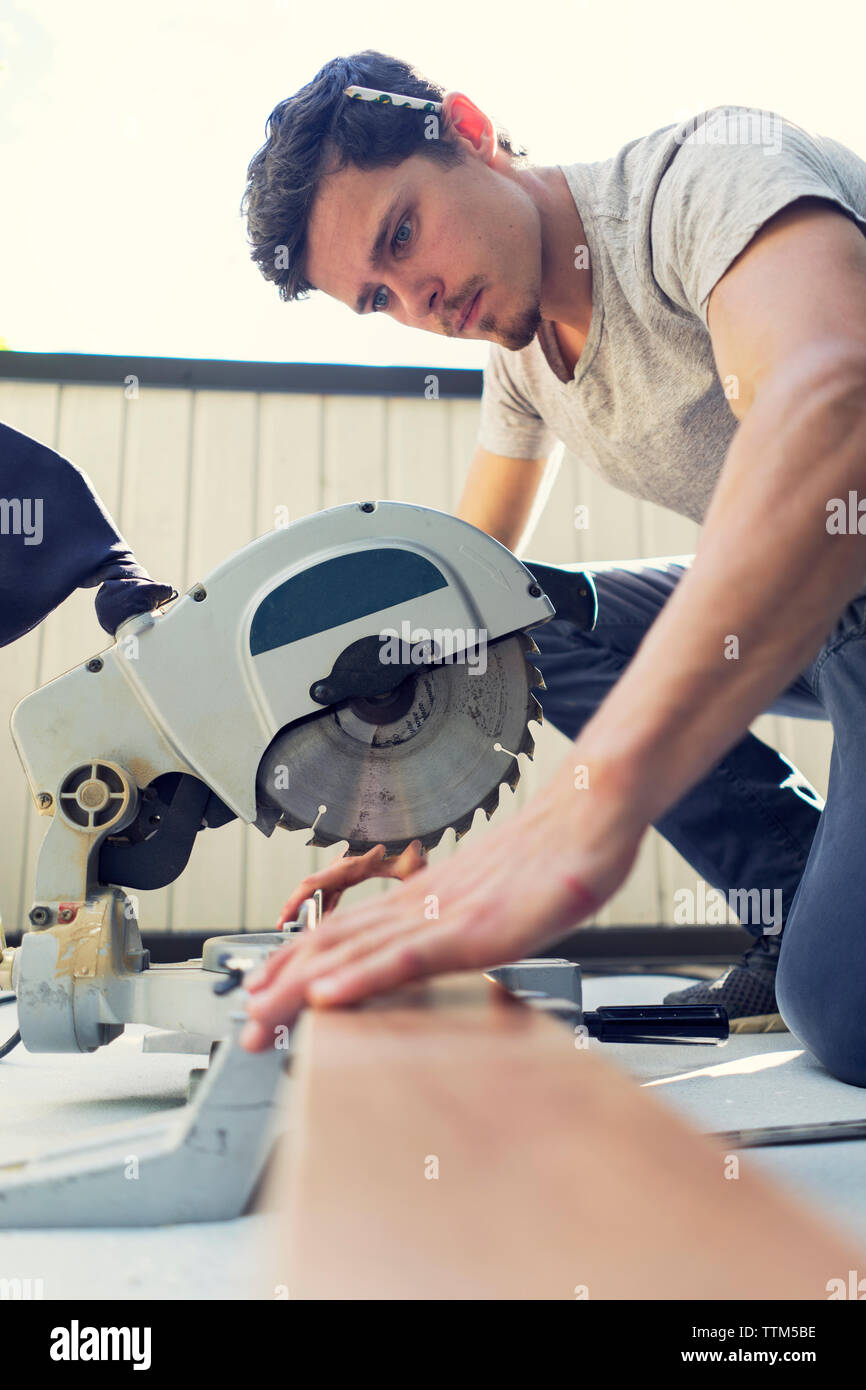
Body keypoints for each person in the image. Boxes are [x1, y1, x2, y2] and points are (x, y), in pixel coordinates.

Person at [237, 50, 866, 1083]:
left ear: (468, 129)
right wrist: (409, 799)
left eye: (403, 235)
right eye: (379, 296)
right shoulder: (521, 364)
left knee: (843, 1010)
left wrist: (593, 801)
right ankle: (794, 891)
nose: (419, 299)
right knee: (521, 618)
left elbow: (833, 406)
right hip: (820, 617)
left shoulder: (699, 180)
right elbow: (462, 592)